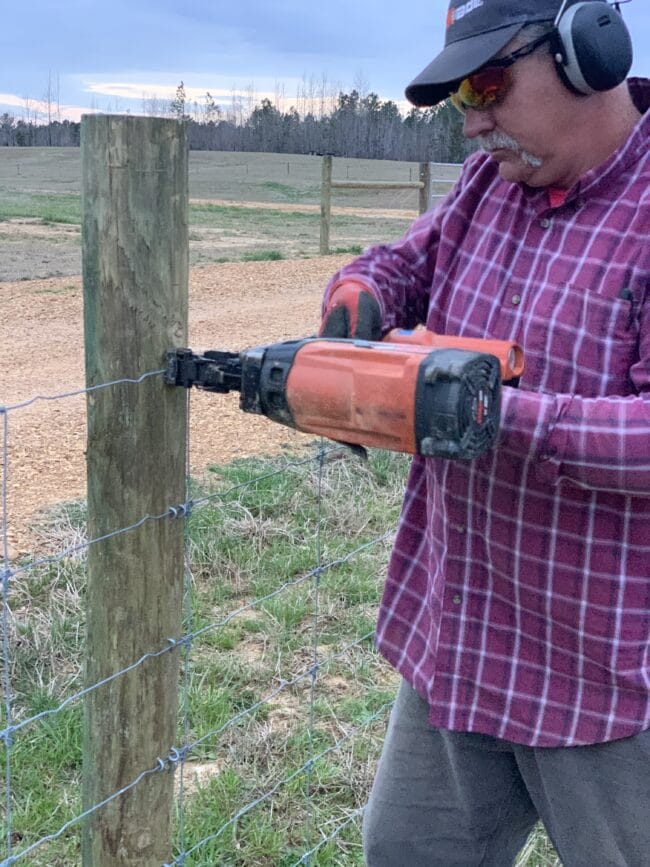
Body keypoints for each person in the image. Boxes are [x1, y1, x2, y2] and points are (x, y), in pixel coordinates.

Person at [319, 1, 650, 864]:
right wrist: (362, 293)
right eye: (460, 92)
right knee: (405, 852)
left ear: (589, 52)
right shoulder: (487, 186)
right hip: (462, 636)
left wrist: (490, 415)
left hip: (604, 673)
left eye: (487, 82)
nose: (471, 118)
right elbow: (403, 259)